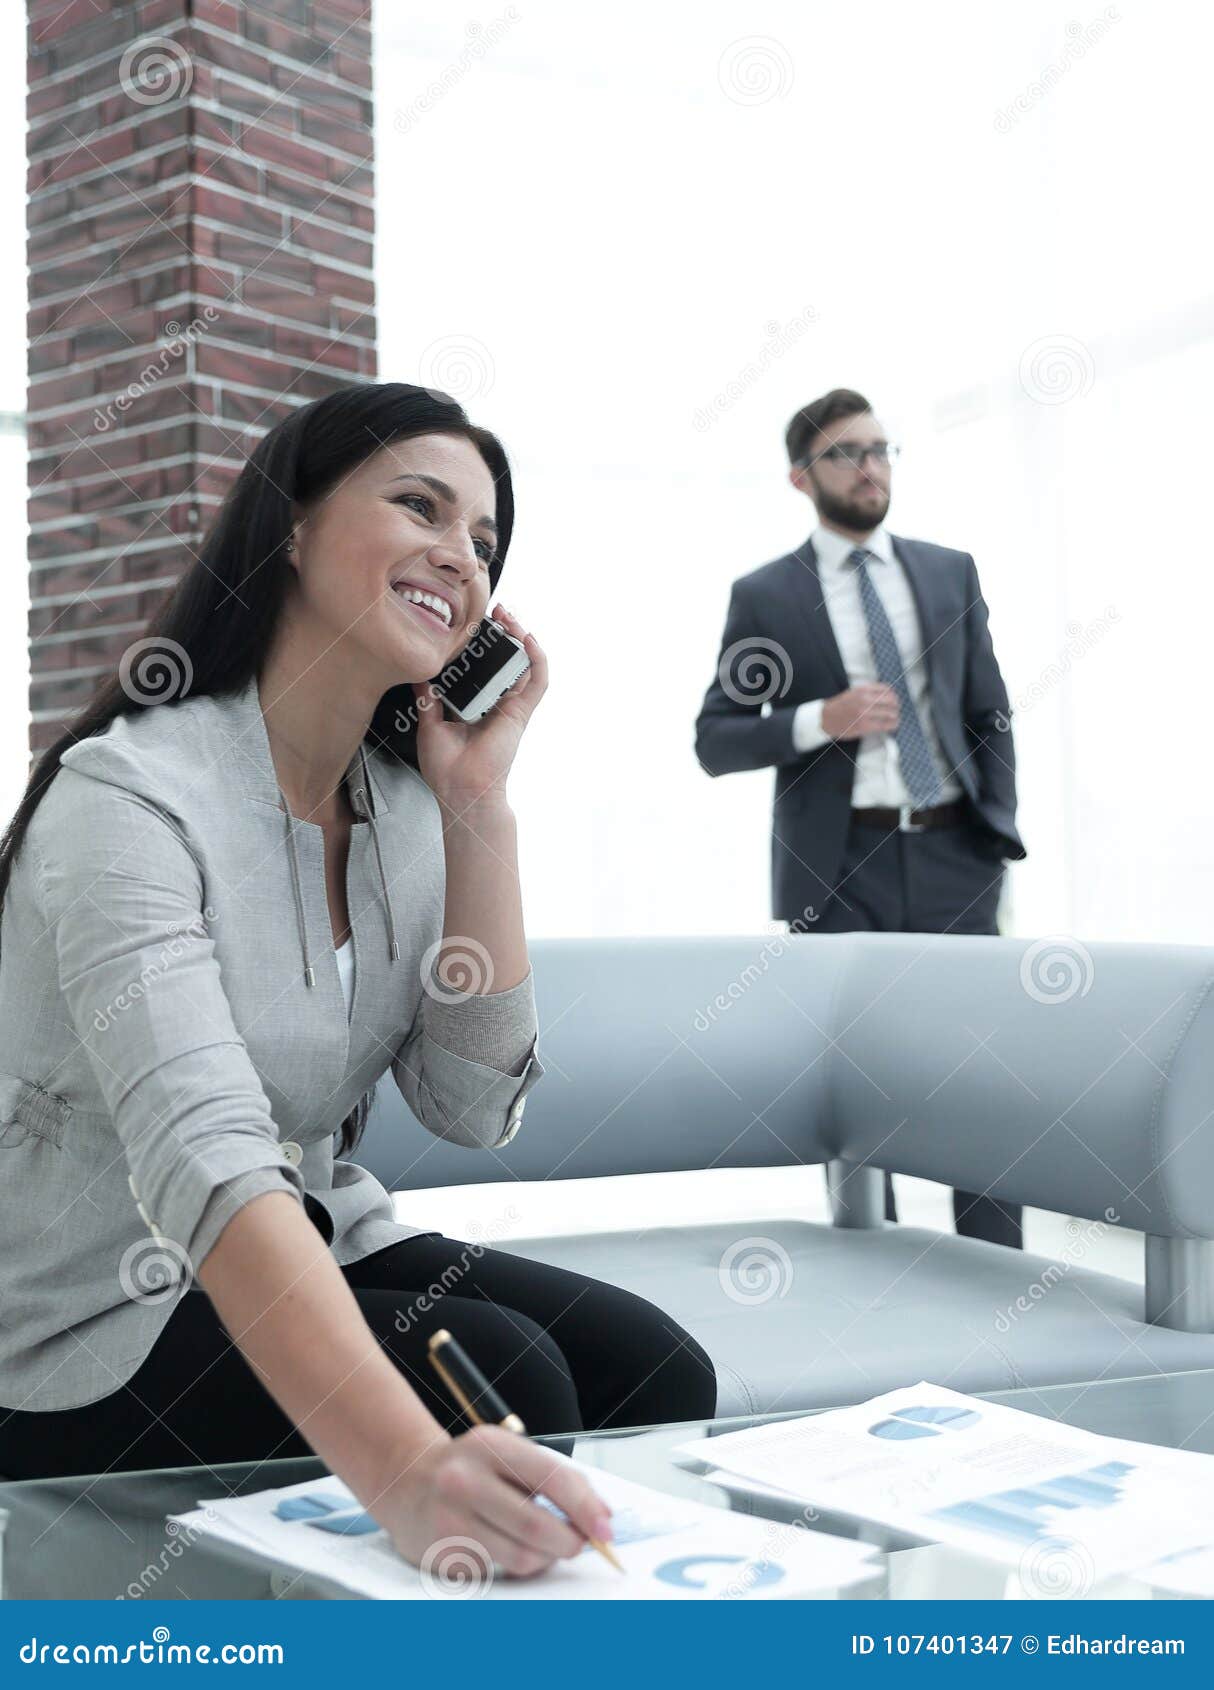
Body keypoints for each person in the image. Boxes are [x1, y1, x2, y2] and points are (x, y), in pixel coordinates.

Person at [0, 381, 717, 1577]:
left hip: (314, 1239)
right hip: (86, 1312)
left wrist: (477, 802)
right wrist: (402, 1471)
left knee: (655, 1365)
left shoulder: (401, 806)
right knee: (506, 1384)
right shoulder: (126, 800)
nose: (461, 556)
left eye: (484, 541)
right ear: (289, 523)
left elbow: (471, 1105)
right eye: (420, 506)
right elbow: (207, 1152)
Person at [694, 387, 1027, 1249]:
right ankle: (866, 1256)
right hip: (841, 867)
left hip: (957, 855)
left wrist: (999, 828)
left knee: (982, 1074)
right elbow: (716, 740)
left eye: (882, 449)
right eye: (848, 453)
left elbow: (989, 712)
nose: (872, 467)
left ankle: (997, 1267)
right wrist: (820, 720)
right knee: (858, 1080)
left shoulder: (949, 570)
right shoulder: (766, 596)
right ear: (802, 478)